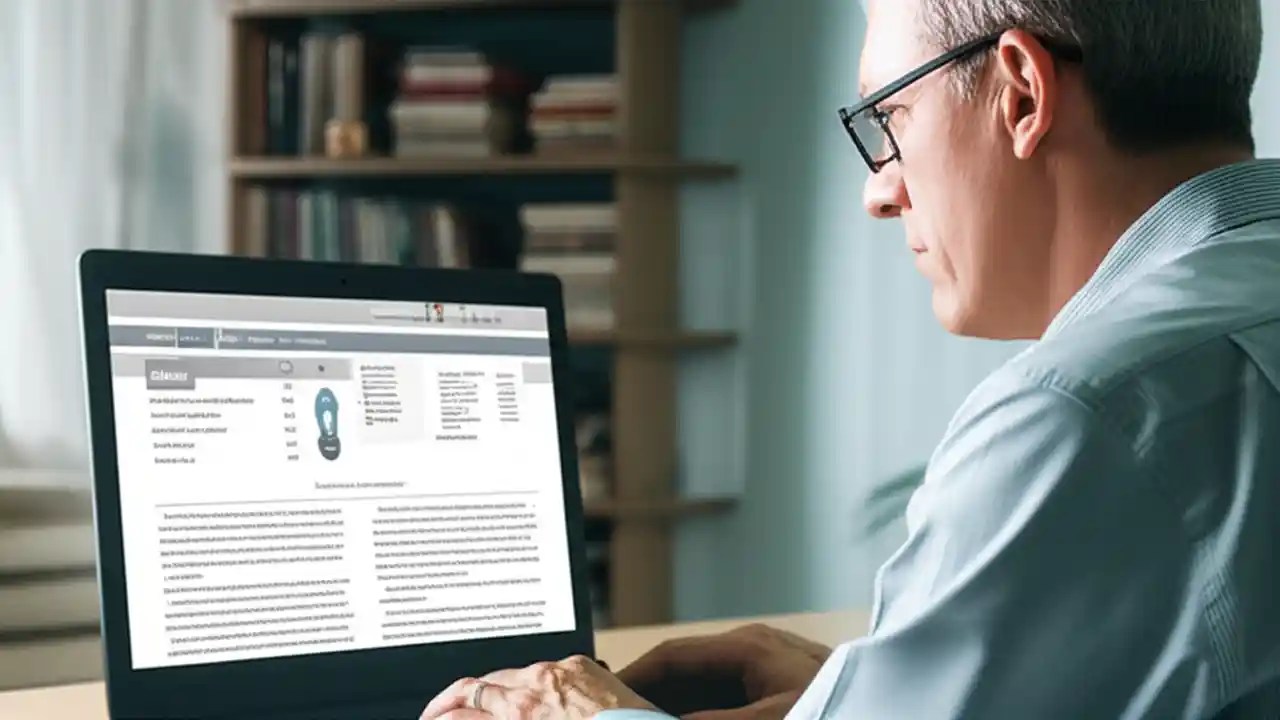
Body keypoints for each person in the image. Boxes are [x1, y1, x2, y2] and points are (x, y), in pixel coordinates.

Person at [421, 0, 1280, 717]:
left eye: (890, 117)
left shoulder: (1087, 410)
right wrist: (866, 690)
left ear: (1020, 94)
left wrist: (579, 711)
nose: (879, 189)